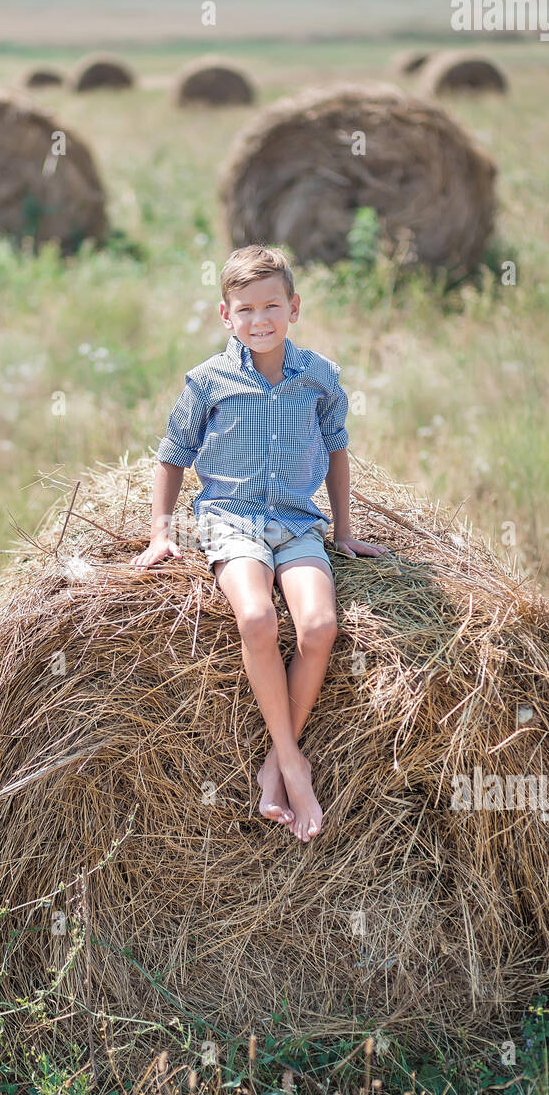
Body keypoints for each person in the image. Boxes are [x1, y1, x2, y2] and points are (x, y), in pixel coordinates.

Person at [131, 244, 390, 842]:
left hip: (298, 521)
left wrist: (344, 532)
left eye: (272, 305)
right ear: (226, 315)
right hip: (231, 519)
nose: (260, 319)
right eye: (245, 309)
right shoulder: (206, 382)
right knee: (254, 617)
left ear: (294, 308)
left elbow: (337, 452)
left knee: (320, 628)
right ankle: (296, 766)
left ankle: (278, 759)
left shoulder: (319, 377)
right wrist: (160, 533)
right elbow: (172, 456)